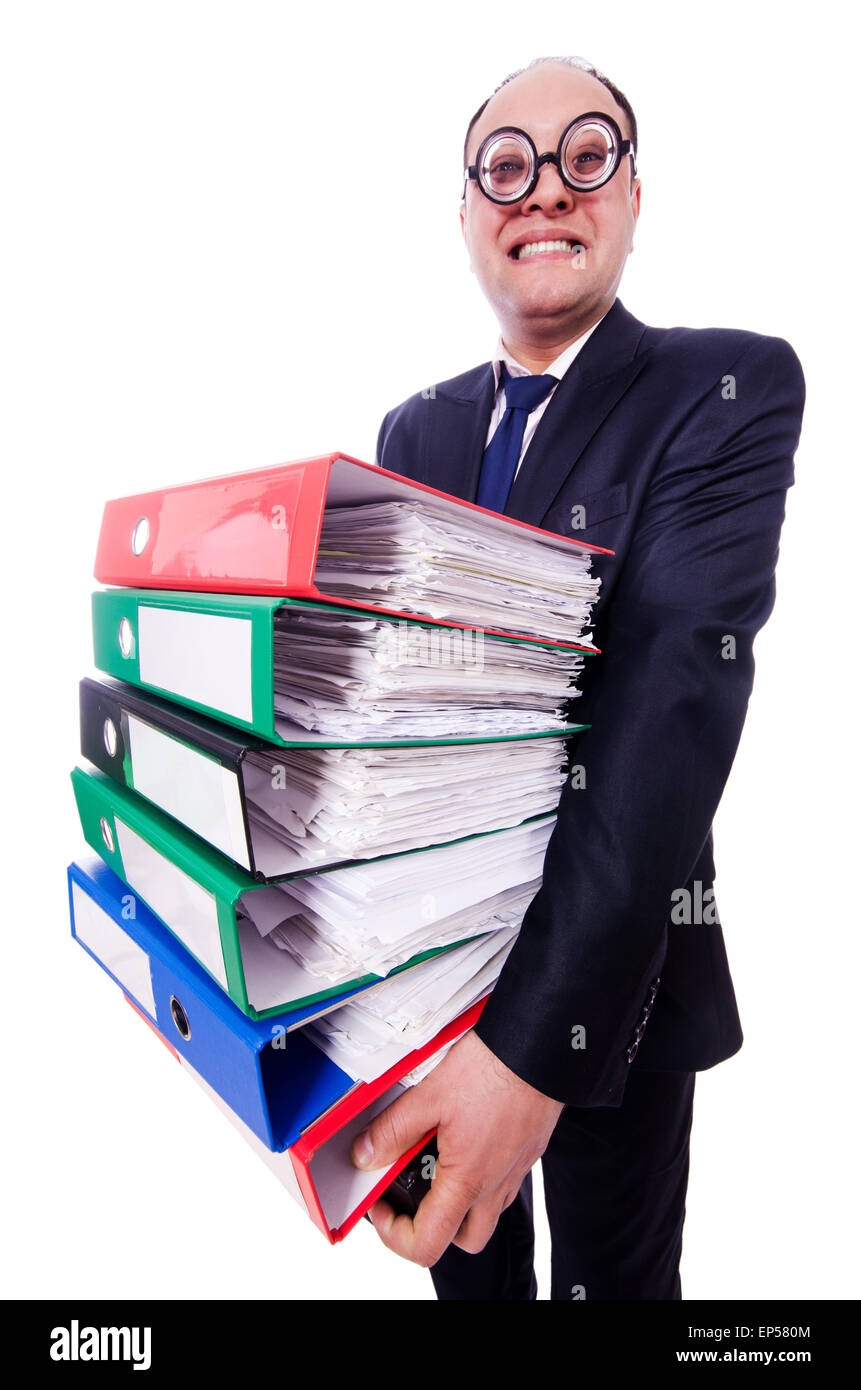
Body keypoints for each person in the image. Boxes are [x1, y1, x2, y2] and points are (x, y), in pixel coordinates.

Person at [349, 55, 805, 1300]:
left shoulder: (727, 387)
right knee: (469, 1280)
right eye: (507, 166)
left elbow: (672, 703)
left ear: (633, 195)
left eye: (585, 155)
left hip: (627, 971)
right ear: (466, 217)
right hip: (432, 978)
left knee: (620, 1283)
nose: (544, 189)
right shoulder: (414, 432)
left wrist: (532, 1057)